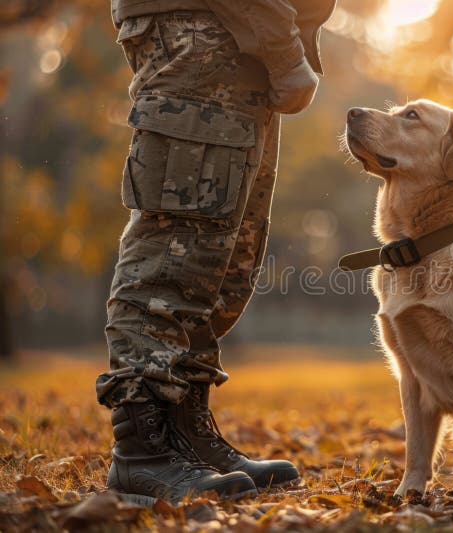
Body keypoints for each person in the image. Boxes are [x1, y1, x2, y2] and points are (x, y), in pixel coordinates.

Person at [95, 0, 336, 503]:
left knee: (221, 260)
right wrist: (285, 53)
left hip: (235, 36)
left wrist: (285, 45)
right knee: (173, 256)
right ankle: (143, 453)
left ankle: (187, 438)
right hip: (205, 26)